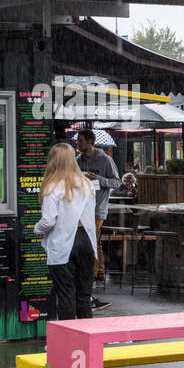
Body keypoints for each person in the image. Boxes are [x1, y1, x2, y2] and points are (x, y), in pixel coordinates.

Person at [35, 143, 97, 322]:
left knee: (66, 295)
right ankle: (88, 340)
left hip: (63, 244)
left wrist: (36, 229)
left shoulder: (52, 187)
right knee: (84, 296)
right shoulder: (86, 184)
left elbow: (48, 220)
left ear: (53, 162)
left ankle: (68, 343)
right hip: (86, 241)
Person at [74, 129, 119, 311]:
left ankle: (95, 273)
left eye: (81, 140)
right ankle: (96, 272)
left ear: (90, 142)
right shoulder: (79, 161)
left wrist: (97, 178)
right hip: (81, 208)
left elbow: (116, 182)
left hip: (97, 208)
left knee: (93, 241)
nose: (78, 143)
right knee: (91, 241)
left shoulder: (105, 159)